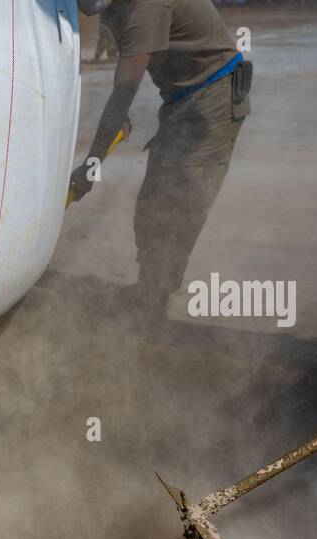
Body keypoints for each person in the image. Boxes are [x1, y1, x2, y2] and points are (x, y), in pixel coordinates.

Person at [70, 0, 251, 315]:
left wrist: (91, 165)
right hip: (180, 99)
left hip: (212, 100)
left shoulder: (147, 5)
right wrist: (119, 114)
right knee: (154, 201)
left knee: (177, 204)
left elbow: (124, 88)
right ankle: (150, 293)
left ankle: (151, 304)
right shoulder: (116, 7)